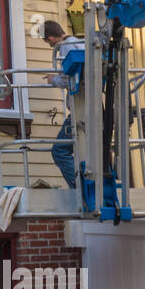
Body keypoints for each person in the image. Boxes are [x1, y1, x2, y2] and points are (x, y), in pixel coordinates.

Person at [43, 20, 84, 188]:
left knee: (59, 151)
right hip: (91, 107)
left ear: (50, 37)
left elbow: (71, 79)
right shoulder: (80, 44)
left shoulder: (65, 47)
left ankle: (80, 190)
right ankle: (87, 187)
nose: (50, 45)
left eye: (48, 41)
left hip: (78, 110)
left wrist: (53, 80)